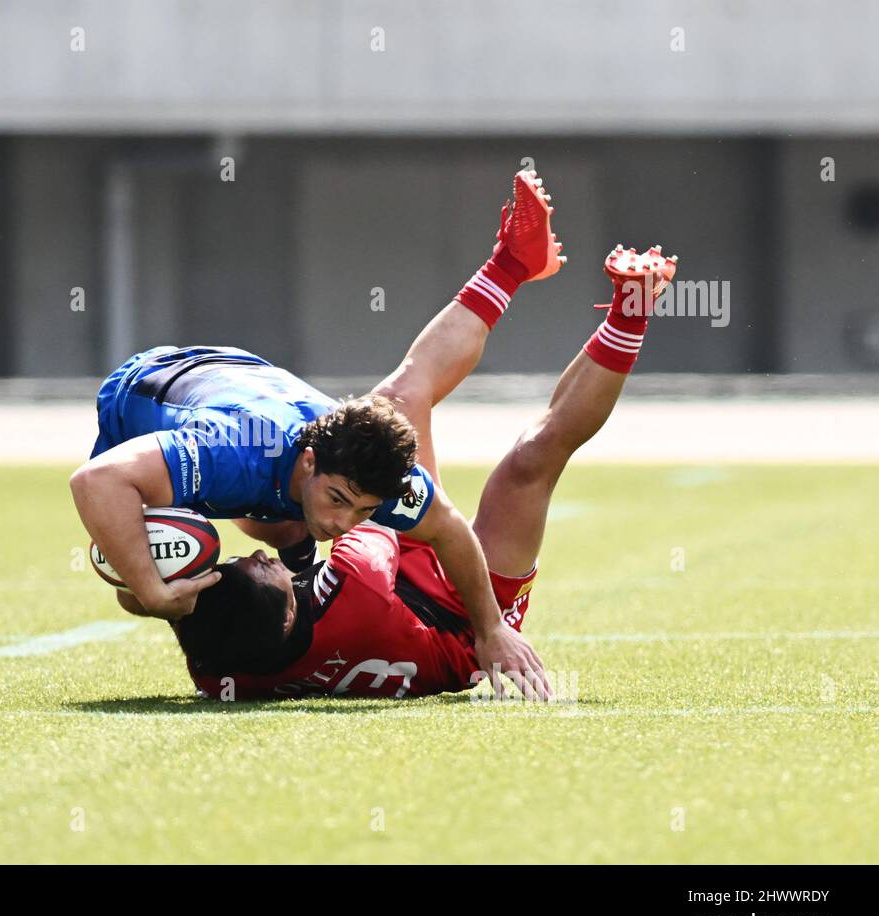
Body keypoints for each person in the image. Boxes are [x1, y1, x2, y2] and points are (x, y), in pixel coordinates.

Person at [71, 170, 565, 690]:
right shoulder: (231, 459)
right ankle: (283, 548)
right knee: (132, 578)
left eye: (364, 511)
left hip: (255, 386)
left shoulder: (363, 470)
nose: (345, 523)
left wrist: (491, 630)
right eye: (339, 498)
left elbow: (449, 529)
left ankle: (510, 264)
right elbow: (93, 482)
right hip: (147, 390)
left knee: (387, 410)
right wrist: (149, 588)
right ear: (309, 461)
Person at [172, 244, 678, 700]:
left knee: (395, 404)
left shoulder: (217, 672)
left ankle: (514, 260)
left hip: (399, 594)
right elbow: (416, 522)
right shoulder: (356, 584)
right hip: (464, 623)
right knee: (530, 461)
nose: (256, 556)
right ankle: (629, 311)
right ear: (287, 613)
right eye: (258, 566)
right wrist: (490, 630)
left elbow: (199, 615)